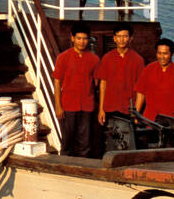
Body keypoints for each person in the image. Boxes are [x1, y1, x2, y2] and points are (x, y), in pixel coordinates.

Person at [53, 24, 99, 156]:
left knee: (85, 143)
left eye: (85, 39)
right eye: (78, 38)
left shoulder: (94, 59)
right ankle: (64, 166)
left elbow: (96, 82)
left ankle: (83, 166)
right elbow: (57, 82)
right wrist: (58, 106)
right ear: (72, 38)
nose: (81, 42)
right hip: (68, 106)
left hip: (87, 106)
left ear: (88, 40)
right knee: (67, 142)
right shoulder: (63, 57)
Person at [134, 37, 174, 131]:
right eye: (159, 53)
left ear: (172, 54)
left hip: (170, 122)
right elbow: (140, 93)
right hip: (148, 120)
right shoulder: (148, 69)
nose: (161, 57)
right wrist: (136, 115)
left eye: (165, 53)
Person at [94, 26, 145, 126]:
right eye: (119, 36)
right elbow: (103, 85)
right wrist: (101, 109)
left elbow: (141, 90)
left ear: (131, 38)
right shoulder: (107, 58)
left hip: (128, 110)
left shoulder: (138, 60)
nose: (122, 40)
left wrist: (136, 114)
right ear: (114, 38)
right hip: (109, 108)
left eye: (125, 36)